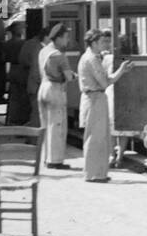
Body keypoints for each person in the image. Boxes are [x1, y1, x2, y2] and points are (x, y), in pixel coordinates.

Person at [77, 28, 134, 182]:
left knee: (99, 137)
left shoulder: (91, 57)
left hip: (95, 98)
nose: (105, 44)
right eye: (102, 41)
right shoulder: (92, 59)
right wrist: (121, 70)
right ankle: (93, 173)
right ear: (94, 42)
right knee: (95, 138)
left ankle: (98, 173)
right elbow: (105, 82)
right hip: (95, 98)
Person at [37, 23, 77, 169]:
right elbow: (68, 76)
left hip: (43, 88)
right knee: (57, 126)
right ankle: (55, 160)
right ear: (58, 38)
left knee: (45, 125)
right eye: (66, 37)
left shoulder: (43, 51)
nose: (67, 40)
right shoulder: (59, 56)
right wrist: (74, 75)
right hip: (55, 90)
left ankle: (45, 158)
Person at [18, 27, 47, 128]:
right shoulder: (40, 50)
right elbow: (36, 71)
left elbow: (23, 60)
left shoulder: (32, 45)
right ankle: (34, 140)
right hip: (37, 87)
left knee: (37, 114)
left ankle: (34, 138)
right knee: (37, 115)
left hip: (31, 84)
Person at [5, 23, 29, 124]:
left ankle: (13, 119)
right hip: (23, 72)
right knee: (23, 98)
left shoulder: (7, 44)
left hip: (12, 71)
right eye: (22, 29)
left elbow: (4, 58)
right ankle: (21, 120)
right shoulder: (24, 43)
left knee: (14, 98)